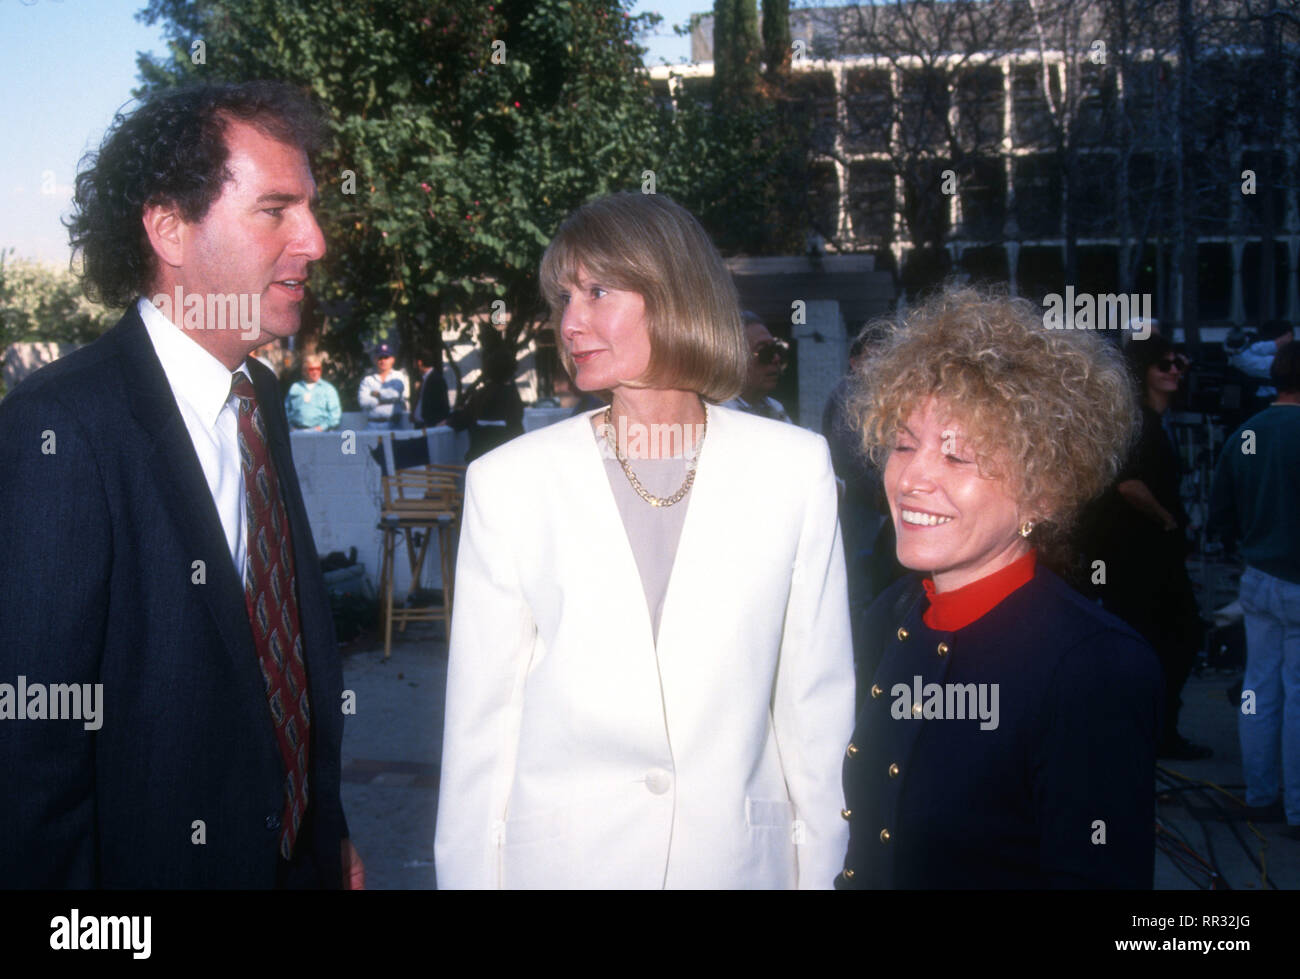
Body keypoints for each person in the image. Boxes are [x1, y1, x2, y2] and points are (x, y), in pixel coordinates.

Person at [434, 192, 854, 889]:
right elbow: (480, 735)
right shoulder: (508, 483)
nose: (571, 321)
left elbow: (815, 714)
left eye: (598, 291)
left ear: (674, 296)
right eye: (563, 297)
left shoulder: (793, 469)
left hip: (736, 867)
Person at [0, 81, 362, 888]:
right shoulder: (61, 429)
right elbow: (31, 754)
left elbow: (289, 648)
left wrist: (325, 831)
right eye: (277, 209)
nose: (316, 238)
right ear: (169, 227)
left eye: (309, 207)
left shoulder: (258, 395)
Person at [838, 286, 1162, 889]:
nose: (912, 478)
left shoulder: (1092, 666)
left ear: (1042, 492)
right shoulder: (892, 615)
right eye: (903, 445)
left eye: (958, 458)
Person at [1084, 334, 1210, 760]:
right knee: (1174, 635)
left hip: (1147, 554)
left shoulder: (1154, 422)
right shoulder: (1139, 423)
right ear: (1145, 373)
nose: (1174, 370)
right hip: (1137, 555)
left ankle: (1152, 729)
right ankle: (1152, 731)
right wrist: (1167, 518)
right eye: (1164, 365)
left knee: (1166, 638)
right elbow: (1129, 484)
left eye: (1179, 363)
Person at [1208, 342, 1300, 840]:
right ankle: (1297, 807)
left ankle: (1261, 795)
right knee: (1297, 695)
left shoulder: (1247, 434)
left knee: (1258, 690)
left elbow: (1221, 508)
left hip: (1258, 576)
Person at [442, 345, 525, 462]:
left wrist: (447, 421)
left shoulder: (482, 395)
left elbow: (463, 419)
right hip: (509, 457)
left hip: (482, 457)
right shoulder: (513, 395)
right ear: (512, 369)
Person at [722, 311, 792, 422]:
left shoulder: (776, 409)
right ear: (735, 359)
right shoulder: (717, 414)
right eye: (765, 352)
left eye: (776, 350)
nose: (776, 359)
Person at [359, 342, 409, 429]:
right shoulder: (368, 380)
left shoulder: (398, 376)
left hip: (394, 424)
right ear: (375, 360)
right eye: (380, 358)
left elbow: (395, 394)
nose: (383, 361)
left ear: (392, 360)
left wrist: (378, 394)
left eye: (386, 357)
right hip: (372, 425)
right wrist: (382, 401)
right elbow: (363, 401)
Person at [285, 353, 342, 430]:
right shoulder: (295, 387)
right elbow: (285, 411)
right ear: (304, 371)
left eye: (318, 369)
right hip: (296, 432)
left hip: (320, 434)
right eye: (311, 369)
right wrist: (291, 428)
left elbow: (335, 415)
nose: (315, 372)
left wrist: (321, 428)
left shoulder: (328, 389)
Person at [411, 344, 451, 428]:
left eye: (414, 361)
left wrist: (433, 425)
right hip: (420, 426)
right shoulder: (425, 379)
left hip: (429, 427)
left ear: (419, 362)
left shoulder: (436, 380)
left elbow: (442, 406)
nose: (413, 365)